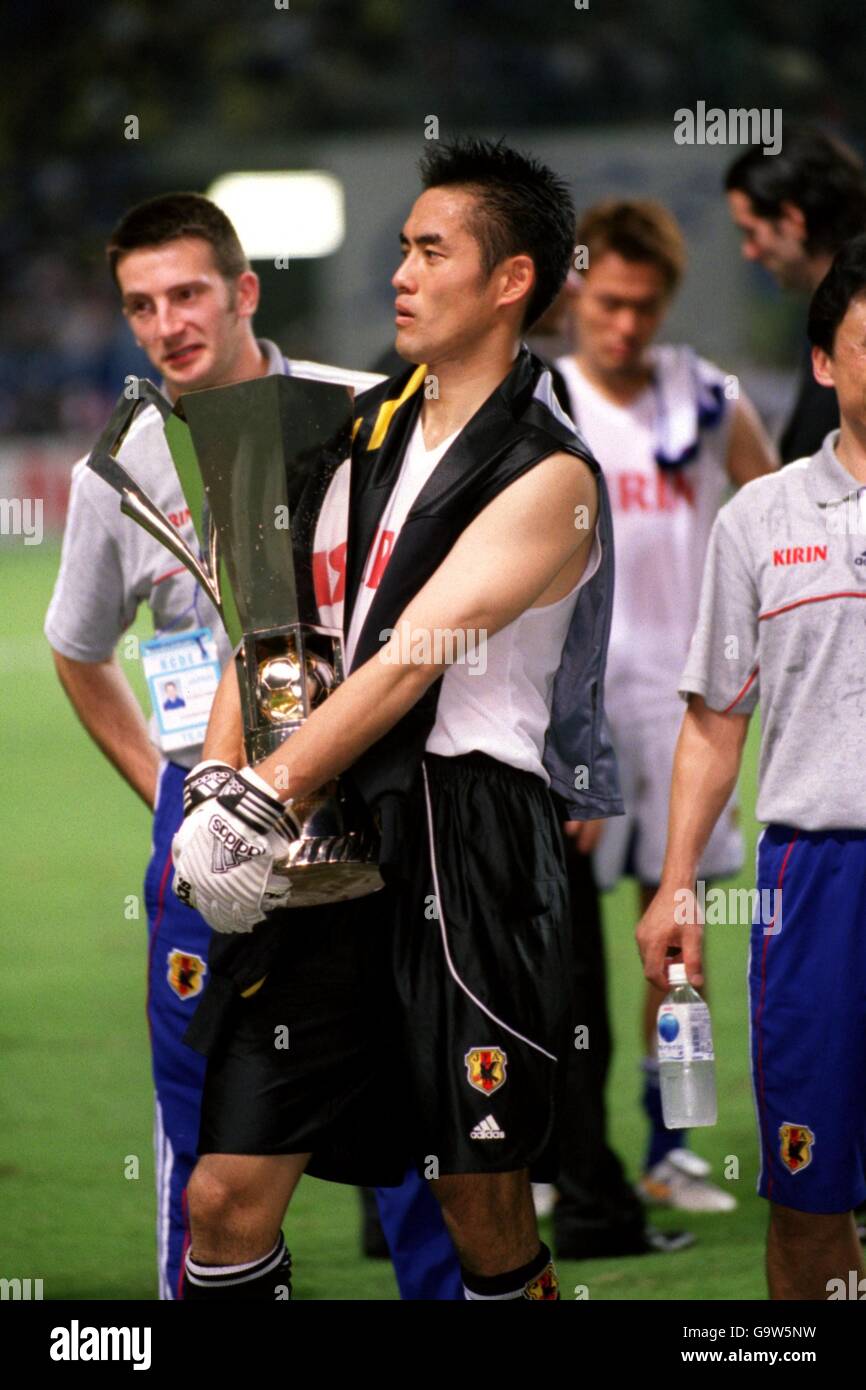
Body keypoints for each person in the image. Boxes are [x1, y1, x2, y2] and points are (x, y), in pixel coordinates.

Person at [171, 137, 623, 1302]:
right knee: (221, 1196)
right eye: (404, 248)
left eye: (432, 250)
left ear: (511, 279)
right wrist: (221, 779)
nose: (401, 273)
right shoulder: (356, 429)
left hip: (466, 835)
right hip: (335, 833)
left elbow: (412, 659)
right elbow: (271, 623)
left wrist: (270, 793)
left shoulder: (549, 473)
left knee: (479, 1209)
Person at [44, 192, 383, 1299]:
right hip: (207, 829)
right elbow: (77, 647)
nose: (166, 323)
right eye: (140, 304)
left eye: (187, 292)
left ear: (242, 291)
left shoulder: (361, 414)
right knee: (198, 1119)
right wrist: (168, 788)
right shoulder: (121, 466)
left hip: (365, 802)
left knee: (419, 1118)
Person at [636, 231, 866, 1299]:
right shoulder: (757, 520)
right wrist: (677, 877)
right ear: (822, 364)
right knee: (806, 1197)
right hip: (813, 886)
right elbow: (714, 721)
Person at [555, 199, 777, 1213]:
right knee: (549, 943)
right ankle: (556, 1148)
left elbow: (774, 513)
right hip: (570, 706)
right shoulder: (542, 401)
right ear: (571, 292)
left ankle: (667, 1148)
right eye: (607, 302)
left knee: (674, 941)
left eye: (644, 306)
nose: (625, 326)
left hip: (687, 704)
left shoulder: (704, 393)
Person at [725, 126, 866, 462]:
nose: (749, 252)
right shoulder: (829, 318)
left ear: (791, 220)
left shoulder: (851, 320)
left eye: (751, 232)